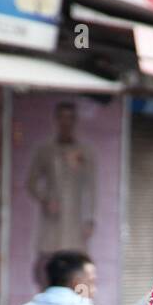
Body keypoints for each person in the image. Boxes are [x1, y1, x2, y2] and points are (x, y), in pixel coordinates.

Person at [26, 100, 97, 285]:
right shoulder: (46, 151)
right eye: (62, 118)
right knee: (46, 269)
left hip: (75, 222)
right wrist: (45, 200)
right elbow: (31, 183)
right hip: (52, 223)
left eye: (70, 118)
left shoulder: (84, 151)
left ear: (75, 121)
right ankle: (47, 303)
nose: (66, 123)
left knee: (79, 271)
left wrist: (90, 219)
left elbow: (91, 187)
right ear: (56, 120)